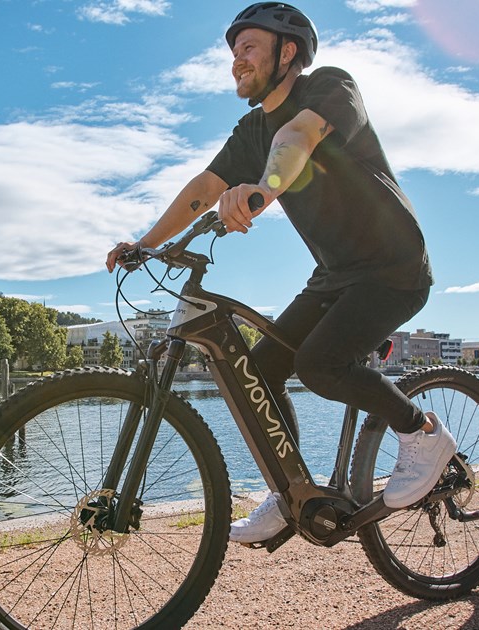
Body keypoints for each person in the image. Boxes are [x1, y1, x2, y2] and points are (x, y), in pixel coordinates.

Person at [105, 2, 457, 544]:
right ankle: (291, 490)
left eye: (248, 47)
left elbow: (298, 139)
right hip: (335, 273)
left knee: (319, 364)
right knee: (261, 370)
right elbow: (205, 187)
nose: (236, 61)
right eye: (233, 52)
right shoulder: (251, 129)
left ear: (286, 51)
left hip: (393, 264)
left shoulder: (330, 89)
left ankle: (423, 434)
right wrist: (146, 245)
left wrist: (262, 191)